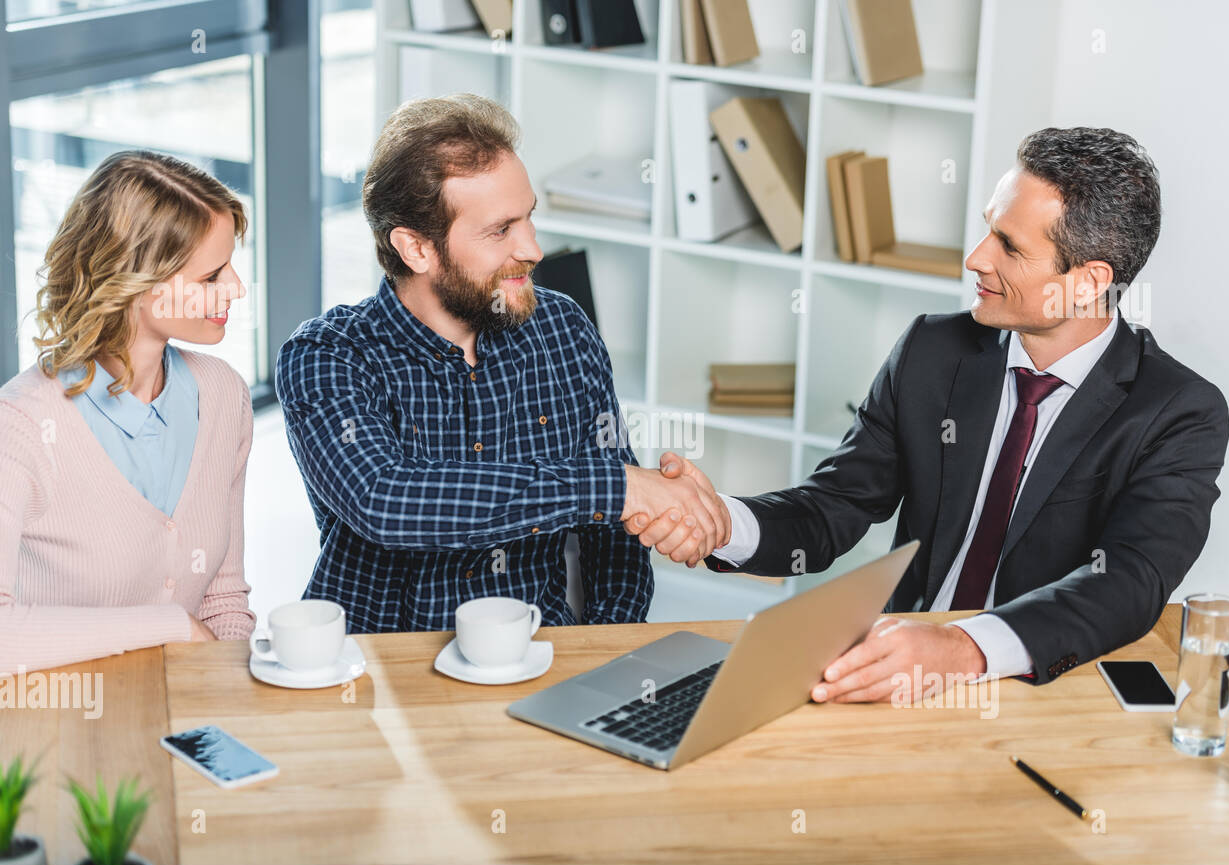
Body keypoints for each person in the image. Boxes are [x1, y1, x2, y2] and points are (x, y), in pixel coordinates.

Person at [627, 127, 1229, 700]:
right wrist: (721, 523)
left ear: (1087, 281)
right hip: (897, 672)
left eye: (1009, 247)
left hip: (1043, 690)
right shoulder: (932, 352)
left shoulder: (1177, 412)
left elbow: (1126, 583)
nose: (975, 258)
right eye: (987, 230)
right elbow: (834, 508)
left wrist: (958, 649)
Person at [276, 93, 725, 633]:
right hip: (373, 681)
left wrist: (600, 648)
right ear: (416, 248)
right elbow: (385, 499)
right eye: (501, 230)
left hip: (539, 661)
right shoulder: (328, 356)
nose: (533, 249)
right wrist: (616, 486)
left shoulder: (563, 329)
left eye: (529, 217)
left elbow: (615, 539)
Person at [0, 150, 256, 674]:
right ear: (136, 283)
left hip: (191, 725)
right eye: (211, 276)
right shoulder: (20, 428)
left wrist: (229, 704)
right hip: (61, 736)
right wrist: (168, 627)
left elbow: (224, 600)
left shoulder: (224, 395)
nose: (235, 288)